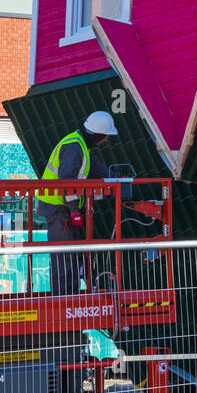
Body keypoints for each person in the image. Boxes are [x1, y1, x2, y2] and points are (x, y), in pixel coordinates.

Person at [36, 111, 118, 293]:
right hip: (58, 208)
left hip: (61, 207)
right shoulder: (74, 147)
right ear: (98, 136)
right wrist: (74, 210)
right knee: (64, 257)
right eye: (105, 137)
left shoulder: (81, 146)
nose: (105, 141)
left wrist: (116, 180)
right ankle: (64, 301)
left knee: (71, 256)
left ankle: (69, 297)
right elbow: (67, 182)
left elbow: (97, 168)